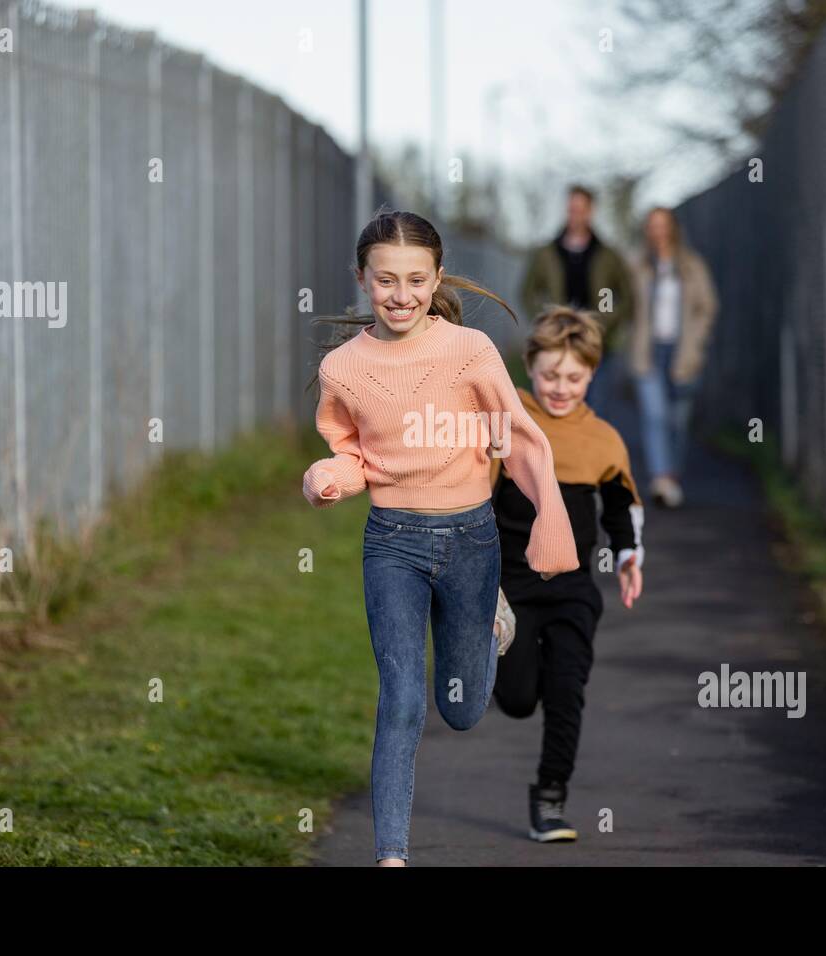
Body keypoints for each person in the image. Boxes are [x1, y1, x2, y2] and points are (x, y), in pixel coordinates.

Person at [301, 210, 580, 867]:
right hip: (391, 542)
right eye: (386, 280)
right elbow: (352, 456)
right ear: (362, 278)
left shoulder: (469, 353)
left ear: (437, 278)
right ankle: (392, 856)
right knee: (399, 698)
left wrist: (547, 518)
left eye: (417, 280)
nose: (402, 295)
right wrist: (328, 478)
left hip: (470, 539)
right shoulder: (343, 369)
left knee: (460, 711)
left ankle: (489, 626)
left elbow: (520, 437)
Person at [488, 307, 645, 843]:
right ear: (529, 365)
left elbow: (620, 504)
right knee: (516, 698)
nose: (560, 388)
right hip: (510, 587)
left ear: (591, 375)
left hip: (573, 587)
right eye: (550, 375)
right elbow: (473, 498)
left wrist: (627, 555)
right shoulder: (506, 425)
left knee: (566, 690)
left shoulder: (602, 438)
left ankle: (551, 797)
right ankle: (490, 670)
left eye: (573, 378)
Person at [625, 206, 719, 508]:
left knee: (678, 420)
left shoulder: (691, 265)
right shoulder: (638, 266)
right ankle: (661, 479)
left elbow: (708, 305)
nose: (658, 231)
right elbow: (625, 304)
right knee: (654, 416)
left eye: (663, 225)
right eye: (652, 225)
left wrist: (698, 341)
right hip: (648, 352)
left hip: (682, 354)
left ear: (673, 228)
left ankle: (673, 476)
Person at [520, 185, 634, 421]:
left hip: (598, 344)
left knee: (595, 412)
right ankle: (556, 457)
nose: (576, 215)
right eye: (572, 209)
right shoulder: (548, 252)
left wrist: (606, 318)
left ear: (590, 211)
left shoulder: (606, 254)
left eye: (581, 209)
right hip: (557, 343)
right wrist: (546, 320)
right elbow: (528, 292)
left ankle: (593, 458)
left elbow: (623, 294)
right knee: (555, 410)